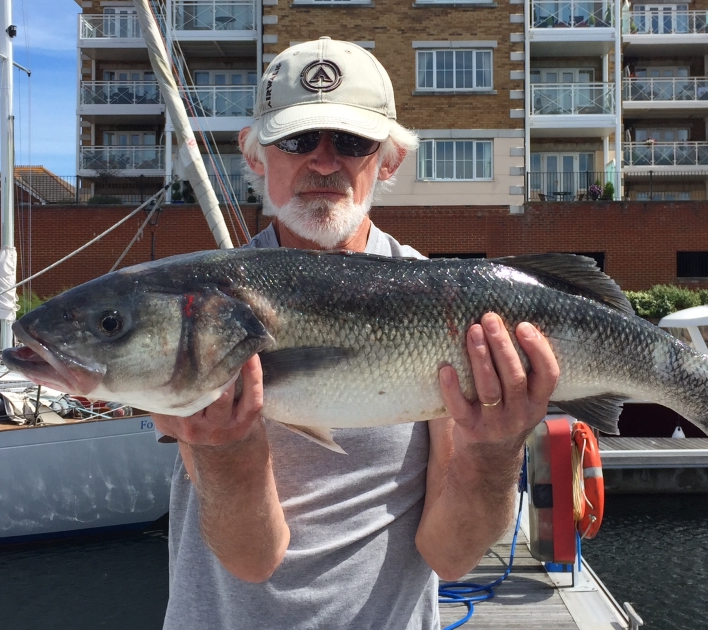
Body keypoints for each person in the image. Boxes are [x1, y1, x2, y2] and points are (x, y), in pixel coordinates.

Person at [150, 37, 561, 630]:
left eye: (350, 141)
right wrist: (223, 448)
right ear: (256, 157)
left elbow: (450, 557)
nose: (322, 161)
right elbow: (251, 558)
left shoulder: (448, 304)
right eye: (296, 139)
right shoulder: (209, 307)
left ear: (389, 159)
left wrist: (496, 450)